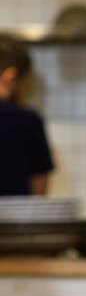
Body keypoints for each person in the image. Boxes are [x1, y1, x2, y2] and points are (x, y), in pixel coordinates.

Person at [0, 36, 54, 196]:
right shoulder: (27, 120)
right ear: (11, 77)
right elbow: (39, 186)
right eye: (25, 83)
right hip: (15, 219)